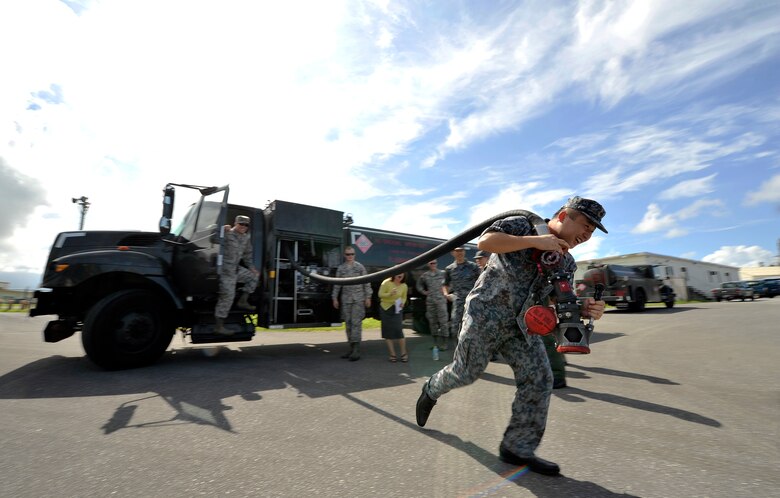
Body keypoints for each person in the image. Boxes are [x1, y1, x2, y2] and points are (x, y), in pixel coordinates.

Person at [416, 196, 608, 476]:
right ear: (564, 216)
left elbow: (555, 299)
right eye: (586, 226)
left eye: (592, 231)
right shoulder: (524, 225)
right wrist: (537, 242)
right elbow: (486, 242)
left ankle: (517, 447)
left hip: (522, 327)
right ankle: (431, 389)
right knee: (466, 372)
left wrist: (584, 307)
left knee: (540, 379)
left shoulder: (566, 262)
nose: (587, 235)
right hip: (486, 316)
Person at [215, 215, 260, 336]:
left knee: (254, 277)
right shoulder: (227, 233)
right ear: (235, 223)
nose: (243, 227)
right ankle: (219, 326)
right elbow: (212, 238)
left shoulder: (246, 238)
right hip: (225, 270)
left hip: (236, 269)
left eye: (246, 225)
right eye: (241, 224)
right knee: (227, 296)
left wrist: (252, 268)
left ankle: (243, 301)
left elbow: (247, 255)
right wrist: (220, 229)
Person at [332, 246, 372, 361]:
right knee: (348, 324)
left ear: (355, 255)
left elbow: (366, 282)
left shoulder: (359, 267)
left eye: (352, 254)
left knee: (356, 323)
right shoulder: (341, 268)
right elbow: (337, 284)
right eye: (348, 254)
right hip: (346, 300)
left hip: (358, 299)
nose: (350, 256)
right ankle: (351, 348)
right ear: (344, 255)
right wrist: (334, 298)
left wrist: (368, 297)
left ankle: (356, 350)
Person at [442, 247, 480, 346]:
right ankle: (458, 348)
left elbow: (481, 281)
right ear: (452, 253)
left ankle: (473, 348)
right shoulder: (449, 269)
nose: (459, 253)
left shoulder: (473, 266)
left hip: (472, 300)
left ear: (464, 251)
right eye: (457, 251)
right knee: (455, 326)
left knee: (473, 325)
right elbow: (445, 284)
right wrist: (446, 294)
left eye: (461, 250)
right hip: (458, 300)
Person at [416, 260, 449, 350]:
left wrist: (447, 291)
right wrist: (423, 292)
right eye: (431, 263)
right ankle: (435, 343)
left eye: (434, 263)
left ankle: (445, 343)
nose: (433, 265)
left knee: (443, 322)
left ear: (437, 264)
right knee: (432, 322)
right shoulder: (425, 275)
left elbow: (451, 282)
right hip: (430, 301)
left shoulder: (443, 273)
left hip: (441, 301)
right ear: (428, 264)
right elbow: (419, 284)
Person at [378, 273, 409, 362]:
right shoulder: (386, 282)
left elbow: (404, 297)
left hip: (397, 308)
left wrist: (402, 302)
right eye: (398, 274)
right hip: (385, 308)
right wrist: (390, 294)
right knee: (388, 332)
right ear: (394, 274)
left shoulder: (404, 286)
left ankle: (403, 353)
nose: (400, 276)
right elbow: (380, 294)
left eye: (402, 274)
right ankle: (392, 354)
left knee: (399, 330)